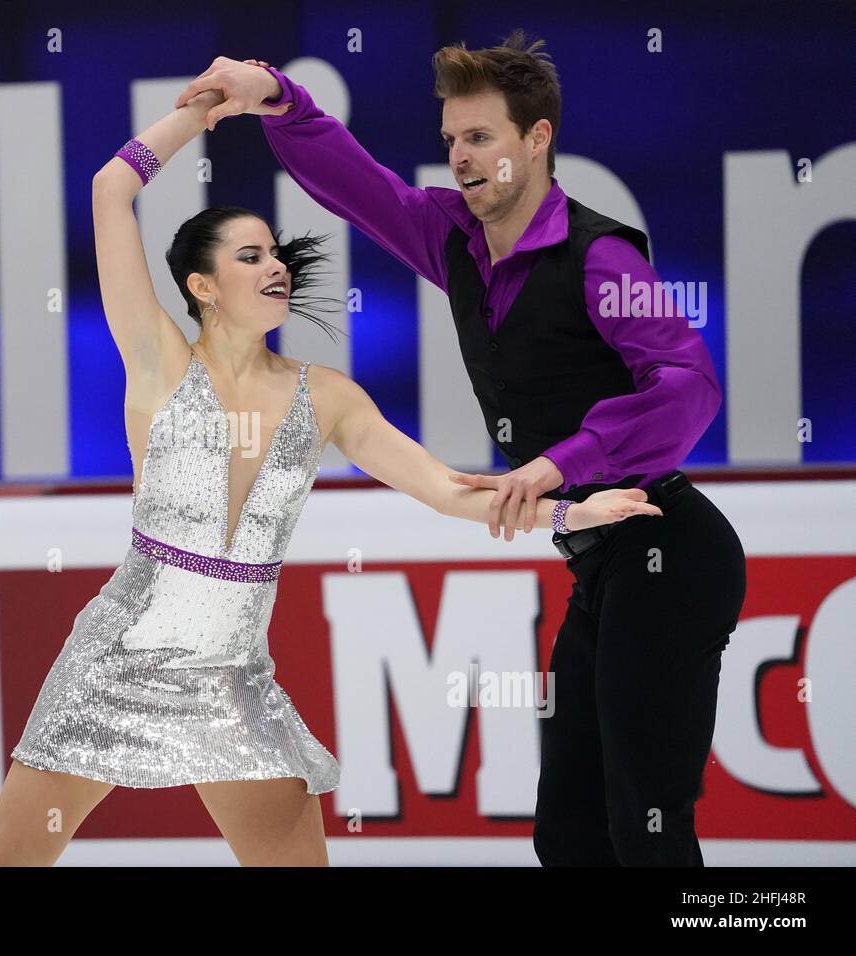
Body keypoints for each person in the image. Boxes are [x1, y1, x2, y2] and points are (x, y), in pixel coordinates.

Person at [0, 84, 659, 868]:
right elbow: (110, 188)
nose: (276, 268)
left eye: (277, 255)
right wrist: (206, 113)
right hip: (118, 658)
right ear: (201, 286)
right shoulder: (157, 363)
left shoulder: (324, 396)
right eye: (250, 255)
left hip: (231, 680)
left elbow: (445, 489)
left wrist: (569, 515)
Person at [174, 31, 748, 865]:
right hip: (602, 563)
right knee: (570, 835)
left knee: (645, 824)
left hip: (671, 552)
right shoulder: (459, 241)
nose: (460, 158)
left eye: (480, 138)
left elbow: (690, 382)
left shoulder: (599, 257)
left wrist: (563, 460)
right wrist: (274, 93)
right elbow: (359, 186)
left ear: (536, 139)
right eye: (451, 141)